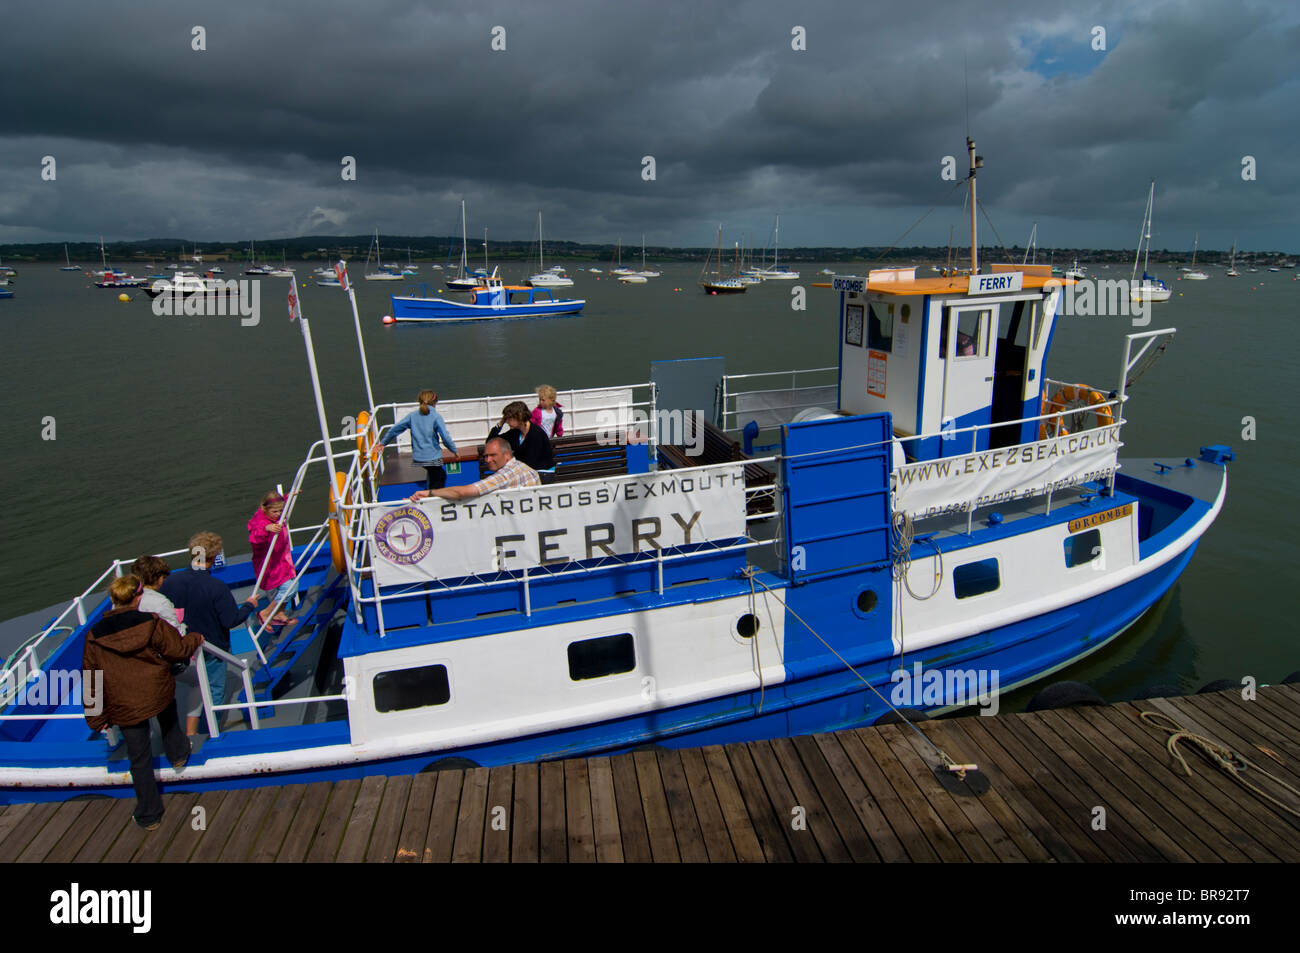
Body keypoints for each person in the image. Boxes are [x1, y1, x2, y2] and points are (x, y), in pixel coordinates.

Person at [83, 574, 204, 830]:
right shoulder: (152, 623)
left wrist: (96, 718)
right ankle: (179, 755)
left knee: (139, 757)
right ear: (138, 597)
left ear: (113, 600)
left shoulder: (94, 635)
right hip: (157, 690)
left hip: (123, 702)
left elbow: (91, 676)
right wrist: (195, 638)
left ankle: (149, 815)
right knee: (168, 718)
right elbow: (178, 650)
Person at [160, 531, 258, 719]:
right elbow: (231, 620)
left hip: (180, 646)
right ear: (213, 558)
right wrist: (248, 606)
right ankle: (209, 730)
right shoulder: (216, 586)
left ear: (192, 553)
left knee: (193, 684)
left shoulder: (169, 582)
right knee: (214, 690)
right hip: (211, 648)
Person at [131, 555, 204, 737]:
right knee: (199, 681)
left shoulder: (126, 601)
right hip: (162, 662)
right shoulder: (160, 602)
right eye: (163, 578)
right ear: (157, 578)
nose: (163, 582)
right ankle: (191, 732)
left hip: (137, 661)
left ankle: (153, 735)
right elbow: (176, 636)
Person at [411, 436, 538, 501]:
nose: (488, 460)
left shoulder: (505, 475)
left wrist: (430, 493)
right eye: (486, 456)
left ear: (507, 455)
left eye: (493, 455)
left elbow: (462, 492)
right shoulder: (528, 470)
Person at [379, 389, 458, 490]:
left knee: (432, 474)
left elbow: (395, 429)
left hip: (418, 457)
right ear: (435, 402)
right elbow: (445, 437)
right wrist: (454, 450)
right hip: (432, 456)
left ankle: (428, 492)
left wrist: (383, 443)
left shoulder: (412, 416)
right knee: (440, 477)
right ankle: (431, 500)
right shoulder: (436, 416)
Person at [248, 490, 297, 629]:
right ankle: (266, 613)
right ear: (265, 509)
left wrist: (290, 495)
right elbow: (254, 537)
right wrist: (266, 528)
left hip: (281, 561)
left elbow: (281, 503)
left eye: (281, 511)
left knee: (293, 587)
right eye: (275, 511)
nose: (278, 514)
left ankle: (279, 614)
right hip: (270, 564)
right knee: (288, 588)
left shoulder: (278, 516)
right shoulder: (260, 521)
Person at [488, 401, 555, 482]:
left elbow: (531, 463)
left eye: (509, 418)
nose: (507, 421)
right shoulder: (516, 433)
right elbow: (491, 442)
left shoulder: (536, 434)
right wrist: (499, 424)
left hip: (542, 473)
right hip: (527, 473)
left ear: (519, 417)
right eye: (506, 419)